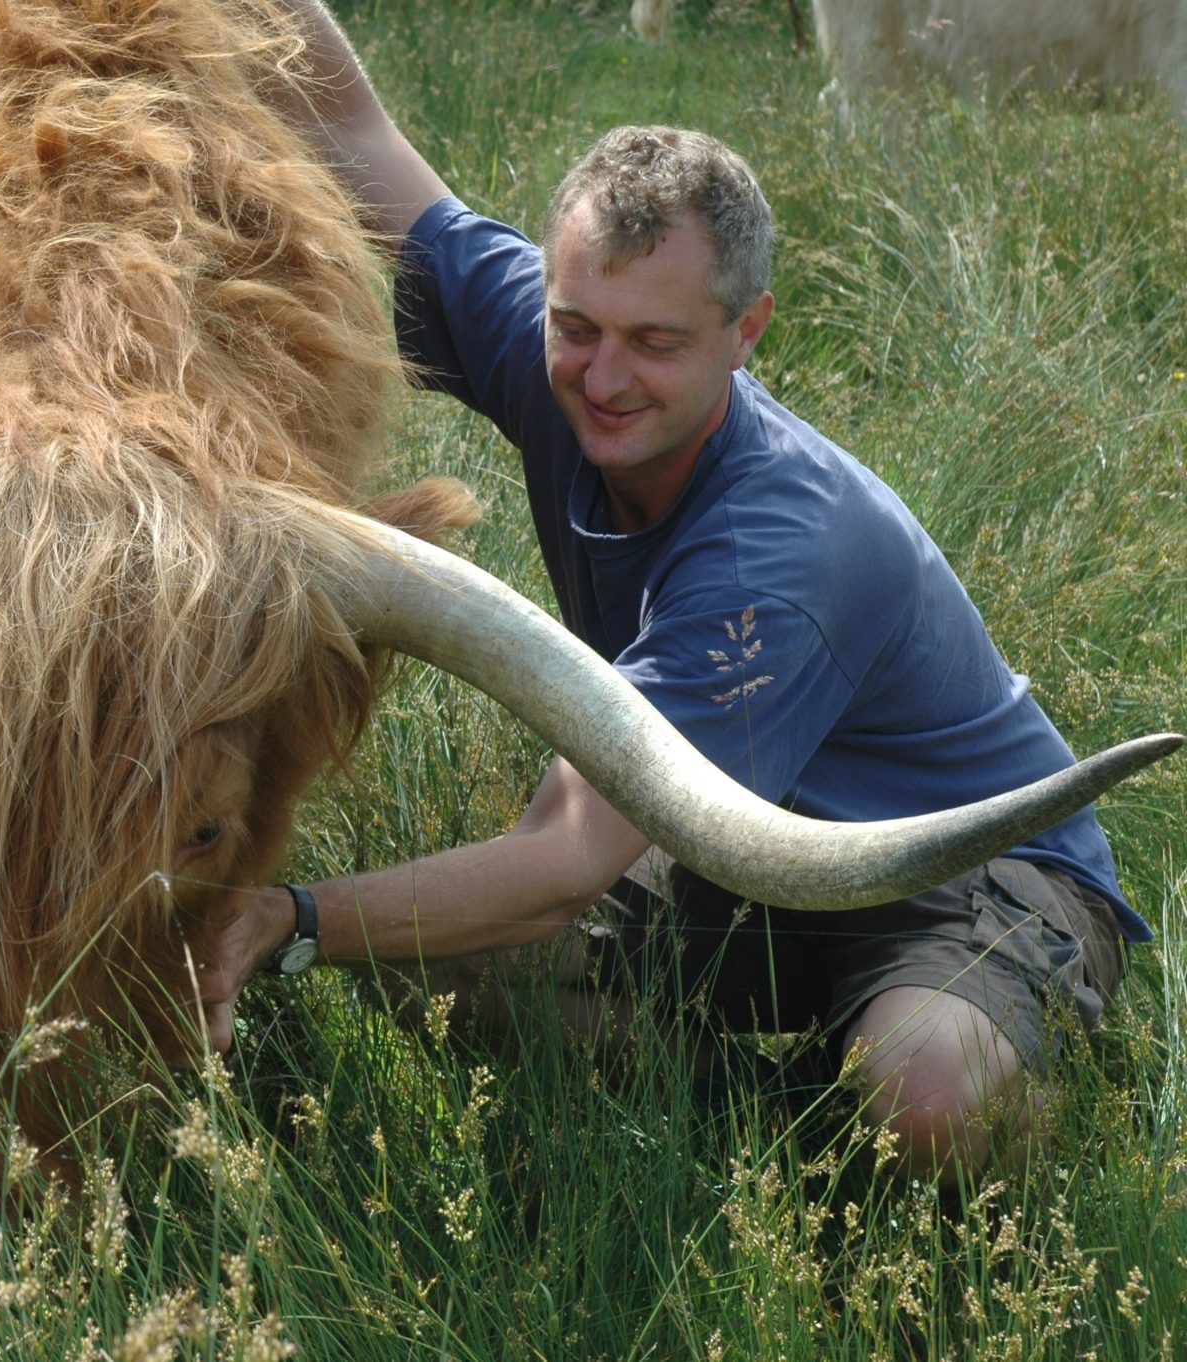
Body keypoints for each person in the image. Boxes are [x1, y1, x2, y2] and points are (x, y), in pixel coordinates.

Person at [179, 0, 1143, 1181]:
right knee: (430, 971)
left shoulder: (775, 554)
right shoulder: (564, 348)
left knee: (922, 1092)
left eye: (654, 343)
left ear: (746, 333)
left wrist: (292, 919)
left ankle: (996, 1093)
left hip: (961, 876)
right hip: (736, 844)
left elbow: (570, 849)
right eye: (573, 326)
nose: (603, 379)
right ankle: (745, 1136)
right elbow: (353, 130)